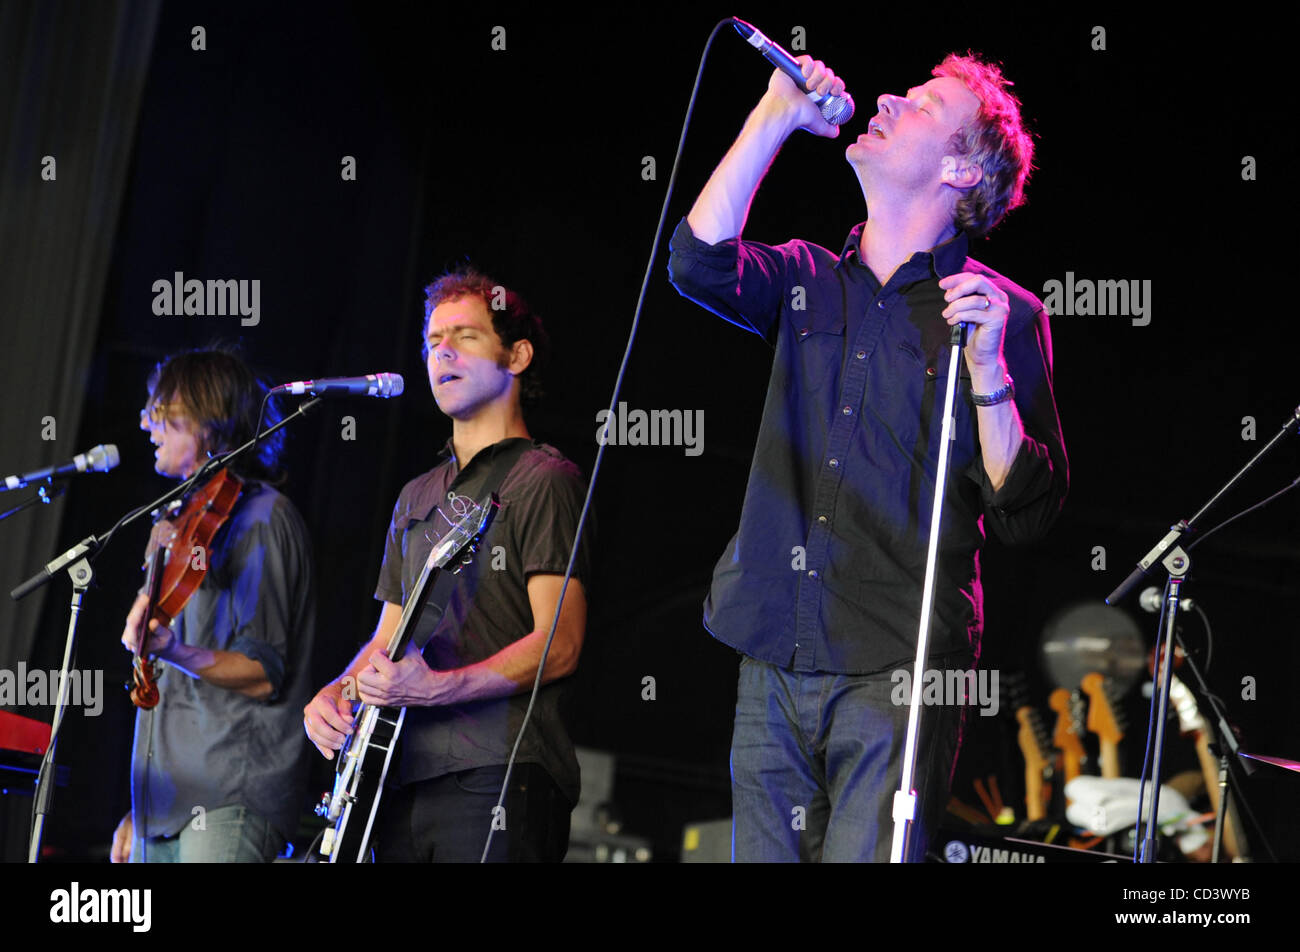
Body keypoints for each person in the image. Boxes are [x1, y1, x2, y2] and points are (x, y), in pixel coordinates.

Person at [668, 52, 1068, 861]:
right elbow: (697, 260)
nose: (887, 97)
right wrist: (775, 113)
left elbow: (1025, 509)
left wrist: (988, 373)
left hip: (897, 665)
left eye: (920, 104)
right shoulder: (808, 276)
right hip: (772, 641)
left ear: (960, 167)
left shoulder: (1000, 315)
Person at [303, 269, 589, 862]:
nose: (442, 353)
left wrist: (436, 690)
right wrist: (337, 691)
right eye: (433, 341)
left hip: (500, 772)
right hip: (399, 782)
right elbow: (388, 637)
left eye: (466, 337)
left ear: (517, 356)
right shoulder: (415, 494)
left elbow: (559, 643)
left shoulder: (544, 477)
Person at [111, 348, 317, 862]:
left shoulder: (263, 517)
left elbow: (261, 671)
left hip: (231, 795)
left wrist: (175, 651)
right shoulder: (175, 522)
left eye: (164, 410)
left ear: (211, 421)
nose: (145, 422)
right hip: (165, 801)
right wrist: (141, 807)